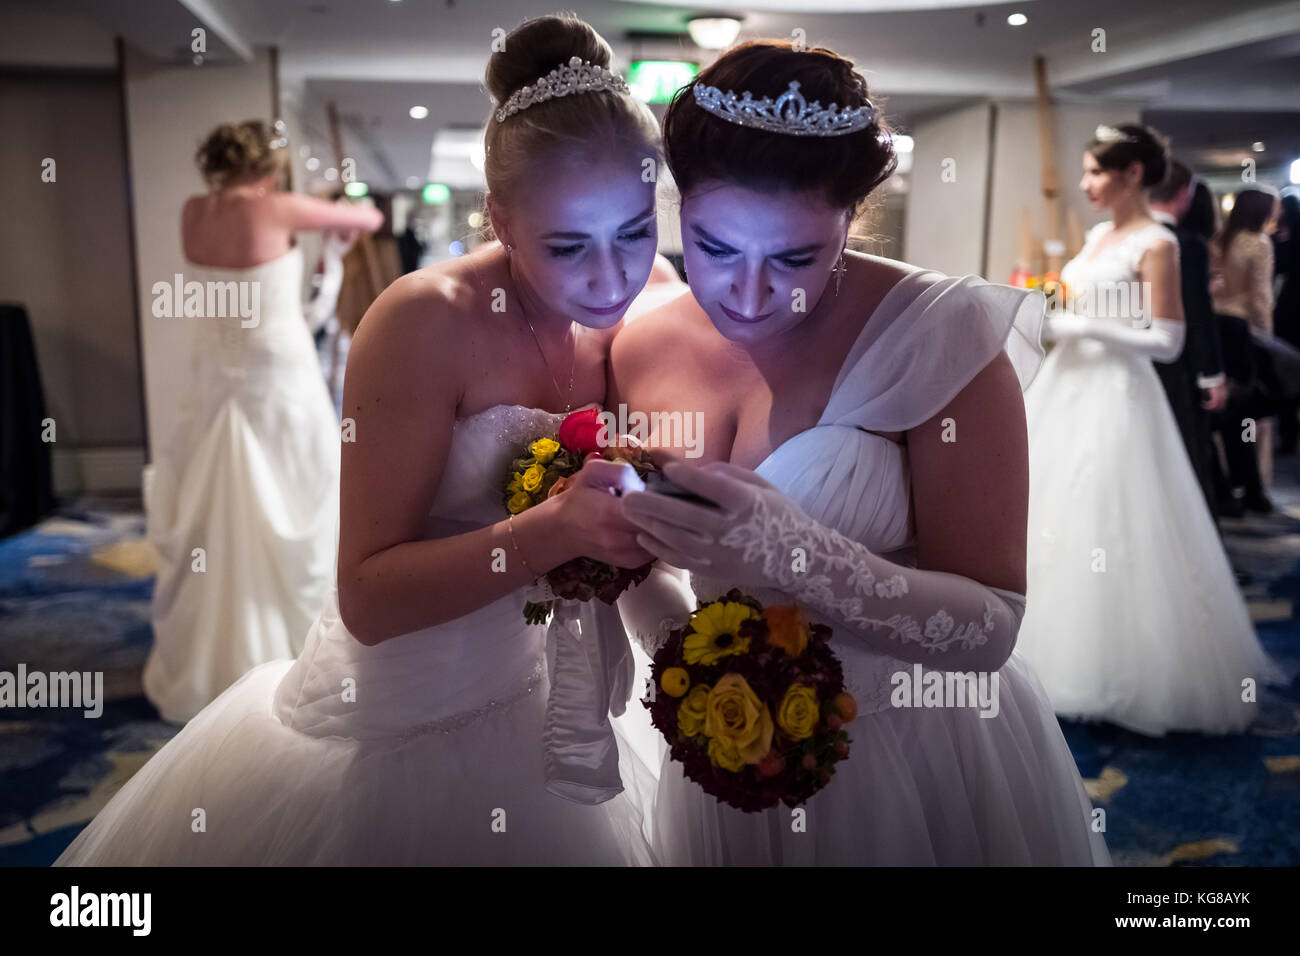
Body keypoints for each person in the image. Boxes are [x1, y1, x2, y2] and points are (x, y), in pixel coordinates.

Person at [56, 14, 661, 865]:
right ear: (499, 218)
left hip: (548, 688)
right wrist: (546, 534)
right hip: (406, 709)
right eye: (568, 245)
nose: (614, 276)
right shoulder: (424, 322)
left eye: (637, 231)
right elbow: (368, 600)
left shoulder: (641, 312)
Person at [608, 40, 1109, 865]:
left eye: (797, 258)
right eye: (715, 247)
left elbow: (990, 628)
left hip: (916, 747)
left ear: (852, 217)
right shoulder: (638, 348)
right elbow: (642, 562)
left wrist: (793, 550)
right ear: (679, 208)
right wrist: (696, 681)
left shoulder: (941, 337)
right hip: (726, 748)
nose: (749, 292)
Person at [1014, 123, 1283, 736]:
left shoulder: (1160, 243)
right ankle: (1037, 656)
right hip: (1070, 389)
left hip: (1119, 394)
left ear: (1132, 175)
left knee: (1112, 516)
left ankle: (1113, 671)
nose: (1084, 184)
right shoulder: (1099, 235)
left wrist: (1080, 327)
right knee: (1051, 512)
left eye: (1094, 173)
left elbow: (1168, 339)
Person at [143, 120, 384, 723]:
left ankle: (208, 659)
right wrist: (340, 207)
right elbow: (370, 222)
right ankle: (291, 652)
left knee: (210, 507)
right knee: (298, 488)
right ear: (269, 166)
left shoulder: (193, 211)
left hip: (211, 374)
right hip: (275, 369)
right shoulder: (275, 206)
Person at [1148, 160, 1227, 520]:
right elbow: (1197, 313)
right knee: (1190, 458)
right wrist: (1211, 374)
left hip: (1135, 368)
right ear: (1184, 195)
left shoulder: (1125, 237)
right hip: (1176, 368)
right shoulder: (1184, 244)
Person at [1212, 186, 1282, 509]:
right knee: (1257, 414)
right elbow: (1260, 298)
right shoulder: (1258, 244)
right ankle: (1257, 486)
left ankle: (1231, 482)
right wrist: (1268, 339)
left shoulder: (1219, 240)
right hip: (1245, 332)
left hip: (1217, 330)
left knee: (1226, 408)